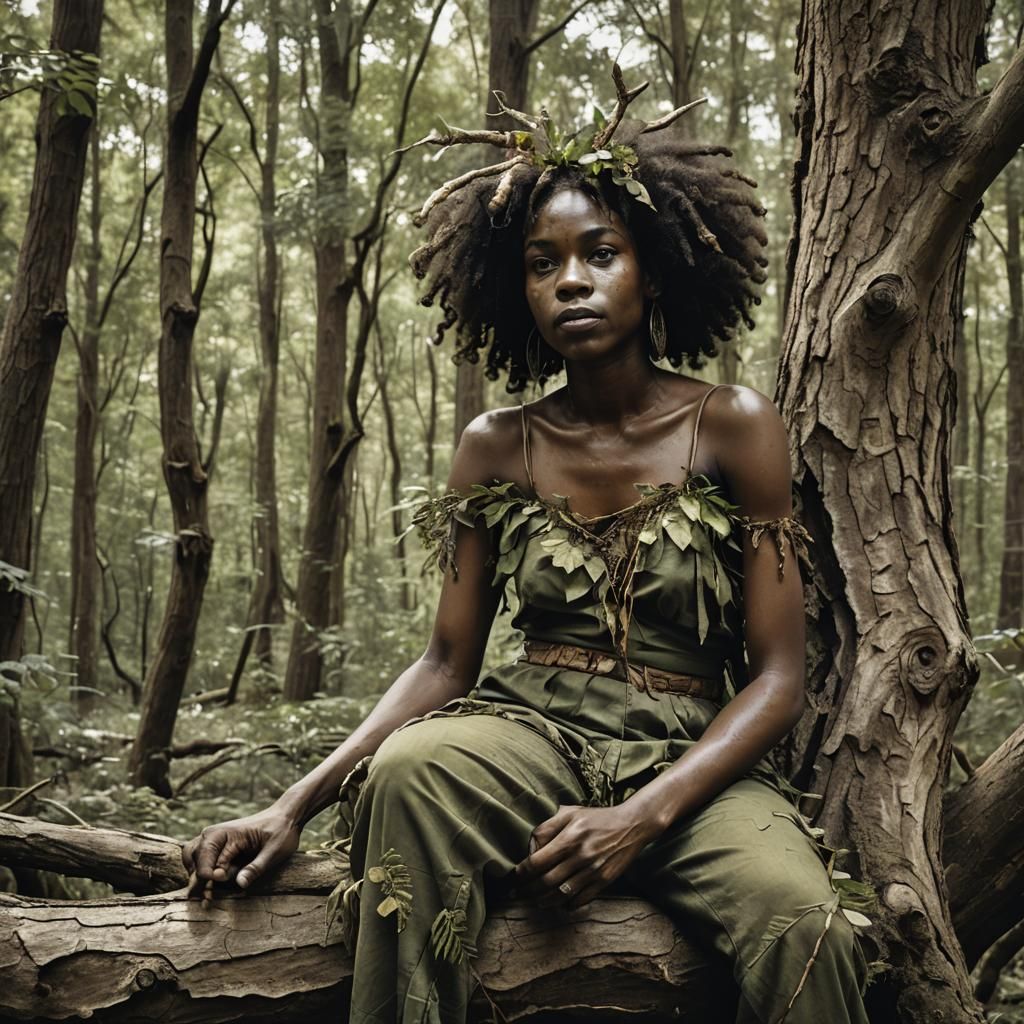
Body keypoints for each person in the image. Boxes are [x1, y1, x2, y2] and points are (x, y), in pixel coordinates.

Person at [184, 76, 870, 1024]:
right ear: (522, 292)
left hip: (691, 755)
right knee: (410, 776)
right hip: (529, 733)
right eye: (544, 264)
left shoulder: (735, 425)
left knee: (808, 925)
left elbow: (779, 677)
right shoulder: (495, 444)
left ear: (655, 270)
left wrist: (640, 817)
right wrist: (290, 805)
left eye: (601, 254)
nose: (572, 281)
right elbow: (445, 662)